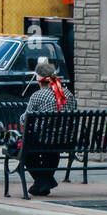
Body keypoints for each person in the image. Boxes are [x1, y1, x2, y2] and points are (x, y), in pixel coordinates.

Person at [20, 58, 76, 197]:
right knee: (52, 149)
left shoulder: (37, 96)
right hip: (65, 139)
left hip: (42, 139)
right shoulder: (68, 94)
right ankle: (45, 181)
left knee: (25, 150)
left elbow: (25, 119)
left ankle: (43, 181)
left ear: (39, 79)